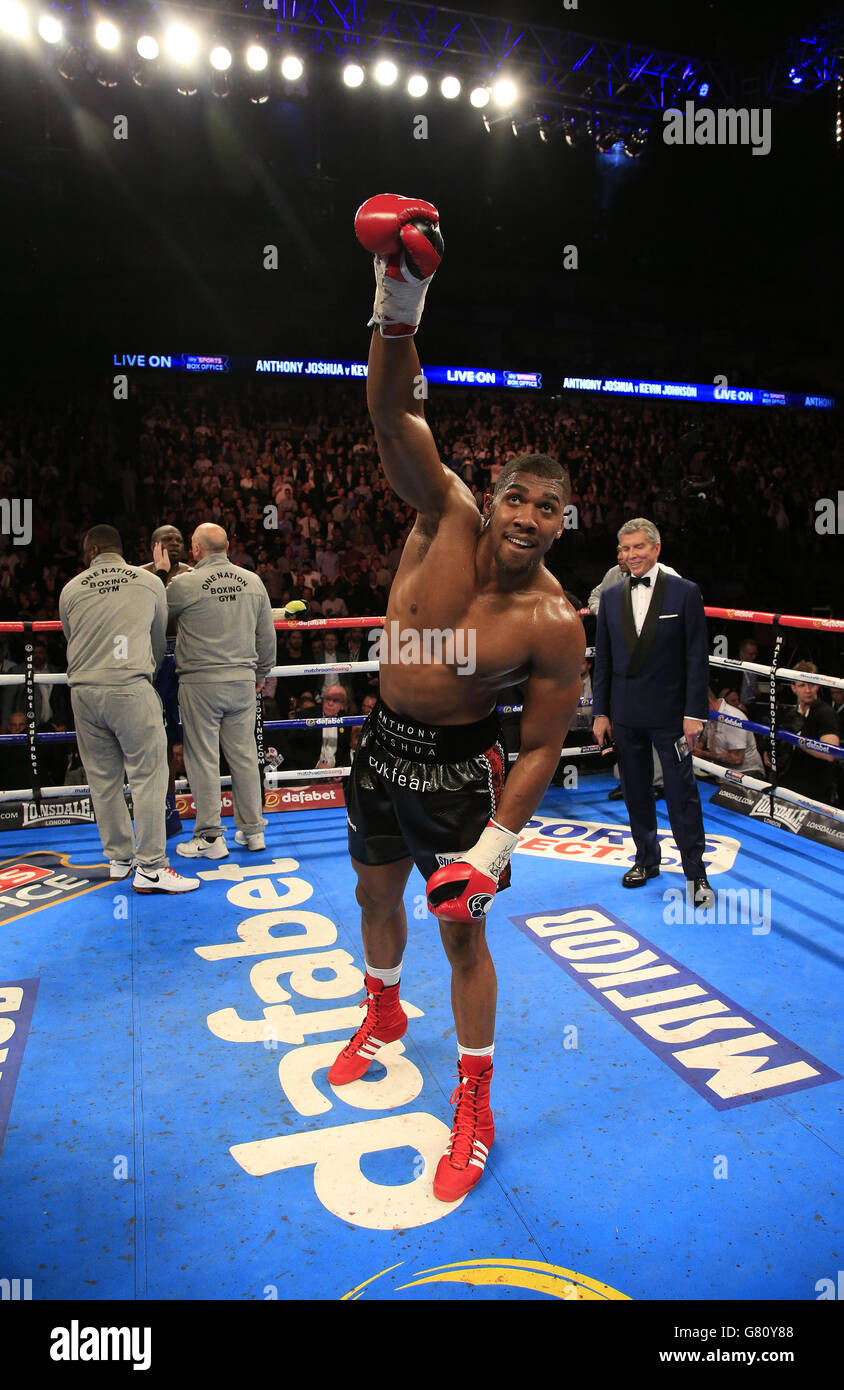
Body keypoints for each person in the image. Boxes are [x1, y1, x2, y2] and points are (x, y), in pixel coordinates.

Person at [331, 193, 584, 1204]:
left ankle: (474, 1098)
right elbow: (393, 408)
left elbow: (539, 747)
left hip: (457, 771)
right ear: (494, 493)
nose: (526, 516)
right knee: (370, 894)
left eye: (548, 509)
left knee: (463, 934)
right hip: (378, 744)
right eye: (517, 497)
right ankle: (381, 1008)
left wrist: (491, 849)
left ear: (564, 525)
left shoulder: (553, 622)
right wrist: (403, 292)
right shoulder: (443, 510)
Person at [58, 524, 200, 893]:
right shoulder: (148, 581)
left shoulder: (71, 588)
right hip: (129, 685)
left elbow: (71, 636)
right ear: (121, 550)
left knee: (103, 779)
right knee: (148, 776)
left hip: (84, 691)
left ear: (90, 552)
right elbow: (156, 639)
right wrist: (141, 673)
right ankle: (151, 866)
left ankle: (120, 859)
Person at [592, 518, 715, 907]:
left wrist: (695, 712)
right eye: (625, 549)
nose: (631, 556)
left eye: (638, 548)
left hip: (670, 714)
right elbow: (604, 660)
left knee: (682, 793)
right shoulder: (611, 596)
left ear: (656, 548)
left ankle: (696, 873)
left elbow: (697, 658)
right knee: (636, 792)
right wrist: (600, 713)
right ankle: (646, 860)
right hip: (625, 713)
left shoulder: (684, 592)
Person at [164, 523, 276, 856]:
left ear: (195, 550)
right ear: (227, 545)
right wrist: (261, 672)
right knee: (244, 757)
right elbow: (266, 634)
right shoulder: (253, 581)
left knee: (203, 758)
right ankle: (254, 831)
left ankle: (211, 837)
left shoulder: (184, 584)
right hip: (242, 679)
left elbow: (154, 613)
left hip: (200, 681)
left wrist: (160, 573)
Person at [594, 542, 679, 802]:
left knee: (655, 723)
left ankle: (659, 782)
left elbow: (683, 612)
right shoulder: (613, 575)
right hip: (624, 662)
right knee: (624, 723)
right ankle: (628, 781)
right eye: (619, 550)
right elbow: (595, 597)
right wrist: (609, 617)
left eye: (629, 551)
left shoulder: (669, 576)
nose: (622, 556)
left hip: (657, 664)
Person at [142, 525, 194, 837]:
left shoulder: (194, 575)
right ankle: (167, 811)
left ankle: (206, 816)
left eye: (179, 539)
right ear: (153, 544)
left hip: (188, 659)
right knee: (158, 741)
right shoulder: (141, 576)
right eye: (167, 539)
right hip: (155, 662)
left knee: (194, 738)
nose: (174, 543)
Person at [771, 661, 840, 807]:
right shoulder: (789, 714)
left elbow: (830, 753)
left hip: (815, 788)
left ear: (818, 685)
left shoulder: (825, 713)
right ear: (793, 688)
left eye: (812, 684)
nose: (808, 690)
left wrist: (796, 739)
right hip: (789, 782)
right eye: (802, 685)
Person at [698, 686, 765, 775]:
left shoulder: (732, 719)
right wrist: (695, 749)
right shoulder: (712, 713)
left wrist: (703, 754)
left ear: (708, 702)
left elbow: (736, 759)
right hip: (720, 770)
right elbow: (704, 738)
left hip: (746, 772)